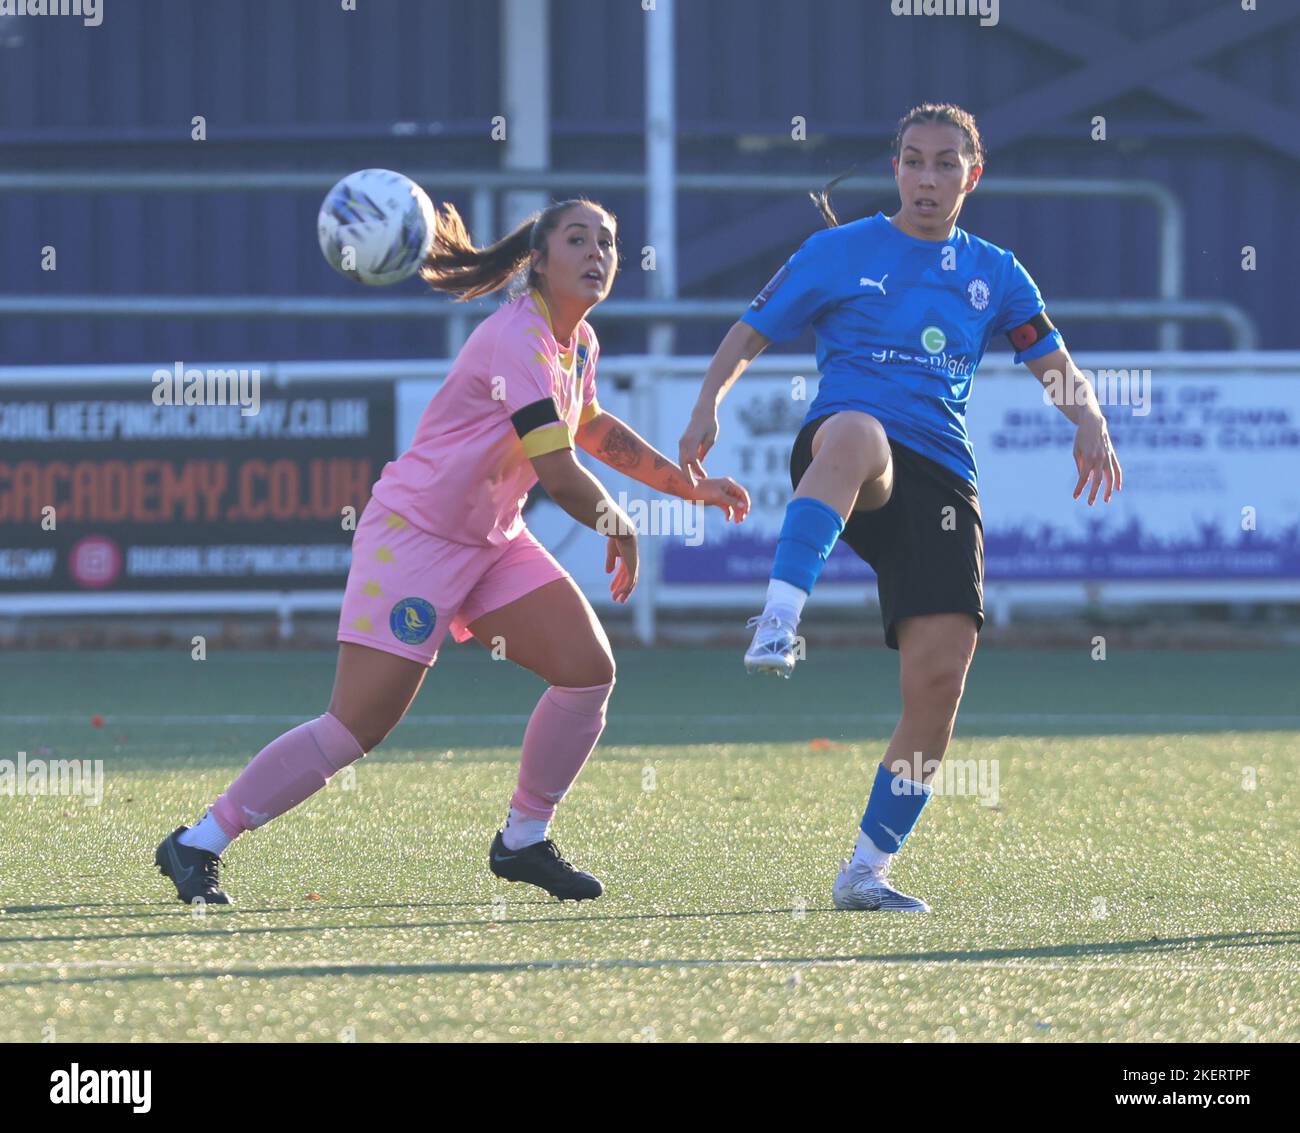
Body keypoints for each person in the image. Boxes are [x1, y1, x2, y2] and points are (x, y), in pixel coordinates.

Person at [156, 197, 749, 905]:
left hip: (492, 539)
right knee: (354, 726)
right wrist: (617, 520)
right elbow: (558, 471)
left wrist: (686, 488)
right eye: (578, 239)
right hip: (416, 539)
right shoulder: (518, 339)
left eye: (608, 243)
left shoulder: (579, 343)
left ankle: (523, 839)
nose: (597, 253)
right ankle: (199, 841)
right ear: (538, 259)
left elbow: (587, 424)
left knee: (587, 670)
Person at [678, 104, 1122, 912]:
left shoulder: (996, 270)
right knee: (853, 428)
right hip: (850, 452)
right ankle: (778, 615)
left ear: (971, 175)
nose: (927, 177)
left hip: (943, 477)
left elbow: (1051, 360)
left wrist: (1088, 416)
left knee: (940, 682)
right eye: (914, 161)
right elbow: (749, 332)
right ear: (896, 171)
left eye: (945, 163)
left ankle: (866, 870)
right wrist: (709, 402)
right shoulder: (837, 250)